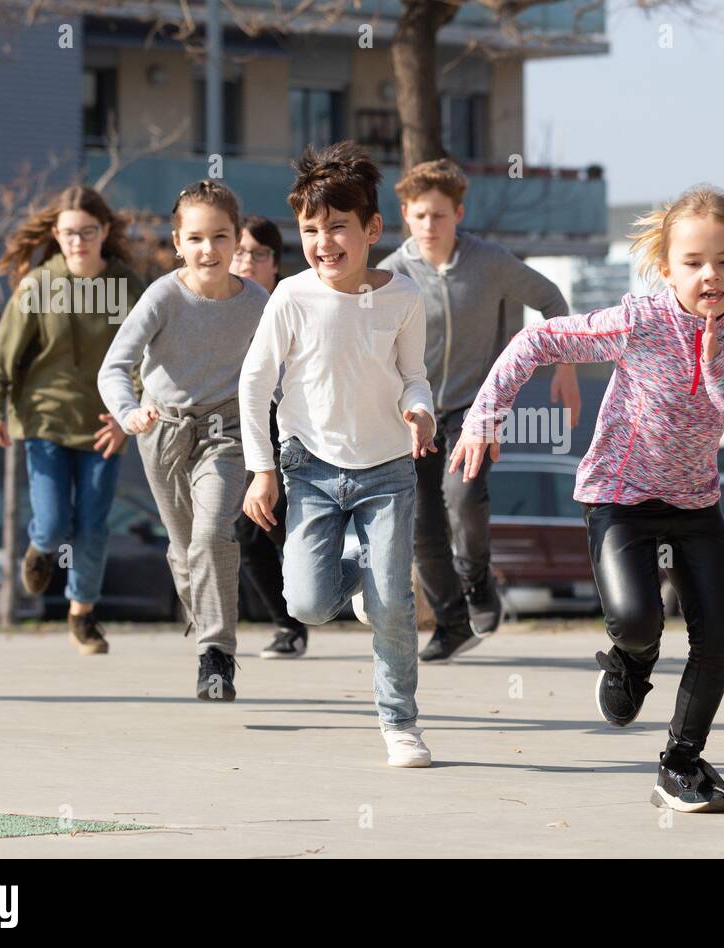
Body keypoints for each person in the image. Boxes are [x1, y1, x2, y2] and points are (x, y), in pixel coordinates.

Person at [451, 185, 724, 812]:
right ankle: (632, 662)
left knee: (718, 636)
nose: (709, 275)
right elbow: (537, 341)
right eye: (692, 262)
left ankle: (679, 764)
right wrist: (484, 416)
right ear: (666, 268)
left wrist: (718, 373)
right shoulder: (639, 321)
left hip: (694, 502)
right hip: (619, 495)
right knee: (638, 621)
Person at [239, 141, 437, 767]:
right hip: (312, 470)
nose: (324, 242)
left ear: (373, 229)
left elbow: (414, 374)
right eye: (310, 230)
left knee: (392, 607)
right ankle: (363, 585)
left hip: (386, 471)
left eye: (338, 228)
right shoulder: (291, 299)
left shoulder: (404, 298)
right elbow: (254, 382)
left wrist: (421, 407)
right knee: (307, 602)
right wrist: (262, 469)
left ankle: (400, 725)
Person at [380, 158, 580, 662]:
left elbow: (552, 300)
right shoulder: (392, 274)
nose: (430, 226)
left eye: (440, 215)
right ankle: (450, 624)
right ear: (406, 215)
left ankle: (477, 582)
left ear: (458, 213)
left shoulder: (489, 262)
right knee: (421, 521)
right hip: (412, 410)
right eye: (421, 215)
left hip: (476, 406)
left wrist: (565, 367)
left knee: (463, 495)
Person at [98, 180, 269, 701]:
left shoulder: (258, 301)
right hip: (163, 431)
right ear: (177, 242)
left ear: (236, 240)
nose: (208, 249)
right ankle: (203, 619)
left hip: (226, 432)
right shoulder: (163, 296)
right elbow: (114, 368)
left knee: (213, 533)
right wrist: (128, 412)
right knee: (181, 548)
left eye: (220, 237)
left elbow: (280, 369)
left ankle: (216, 656)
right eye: (195, 238)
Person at [0, 185, 144, 655]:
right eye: (69, 233)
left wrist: (125, 416)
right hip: (45, 419)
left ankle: (82, 614)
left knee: (92, 525)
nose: (78, 242)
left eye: (88, 232)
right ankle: (38, 549)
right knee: (52, 524)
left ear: (104, 231)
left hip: (102, 425)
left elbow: (146, 361)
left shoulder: (125, 287)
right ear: (56, 233)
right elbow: (1, 360)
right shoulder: (39, 286)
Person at [228, 216, 310, 660]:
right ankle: (290, 621)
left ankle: (310, 598)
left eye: (258, 254)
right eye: (239, 252)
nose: (247, 261)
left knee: (271, 521)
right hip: (237, 423)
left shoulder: (288, 301)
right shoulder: (220, 301)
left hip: (289, 422)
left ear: (275, 263)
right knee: (247, 527)